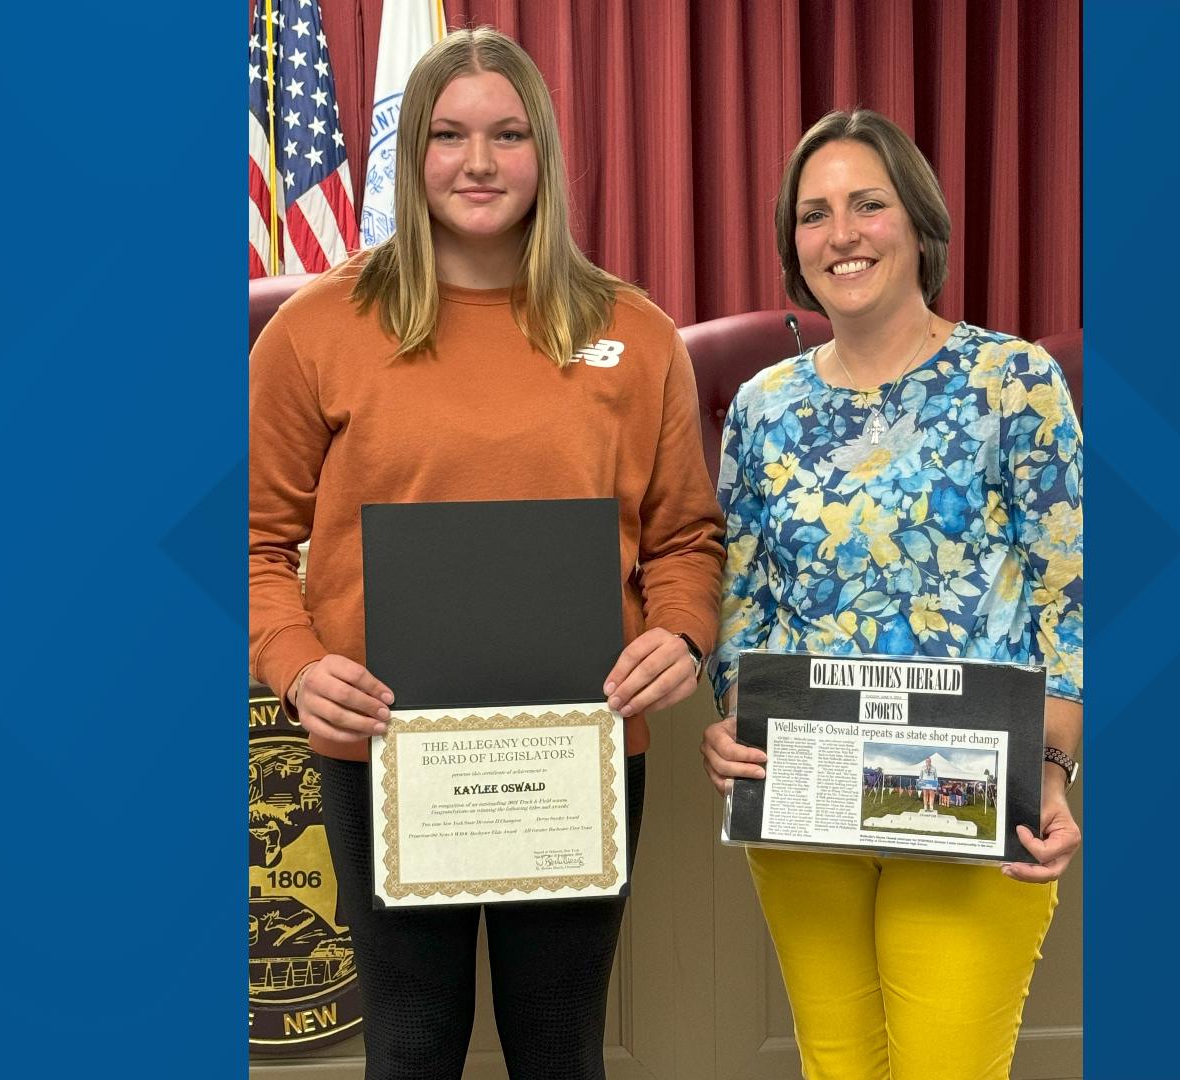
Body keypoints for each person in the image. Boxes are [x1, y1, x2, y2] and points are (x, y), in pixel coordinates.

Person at [249, 28, 722, 1079]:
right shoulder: (316, 330)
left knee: (560, 1046)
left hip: (577, 748)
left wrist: (683, 633)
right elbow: (248, 544)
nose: (478, 162)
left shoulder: (633, 333)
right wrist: (296, 664)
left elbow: (688, 537)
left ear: (543, 152)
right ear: (409, 151)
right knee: (413, 1045)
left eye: (507, 134)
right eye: (450, 135)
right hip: (380, 750)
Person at [699, 109, 1084, 1079]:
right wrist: (736, 714)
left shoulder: (1012, 382)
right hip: (806, 796)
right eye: (814, 213)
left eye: (868, 204)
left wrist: (1055, 768)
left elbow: (1071, 594)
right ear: (793, 243)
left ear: (919, 223)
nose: (843, 234)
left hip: (970, 791)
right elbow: (745, 594)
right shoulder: (762, 406)